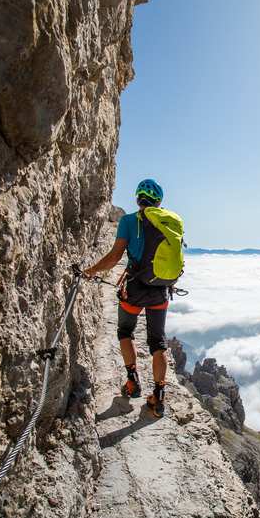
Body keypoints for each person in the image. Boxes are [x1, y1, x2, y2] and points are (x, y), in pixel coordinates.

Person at [85, 179, 170, 417]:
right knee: (158, 343)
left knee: (125, 331)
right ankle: (159, 395)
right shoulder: (168, 223)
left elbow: (114, 257)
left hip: (134, 288)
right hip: (160, 290)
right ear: (159, 202)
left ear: (137, 199)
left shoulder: (129, 221)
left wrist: (90, 271)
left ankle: (132, 382)